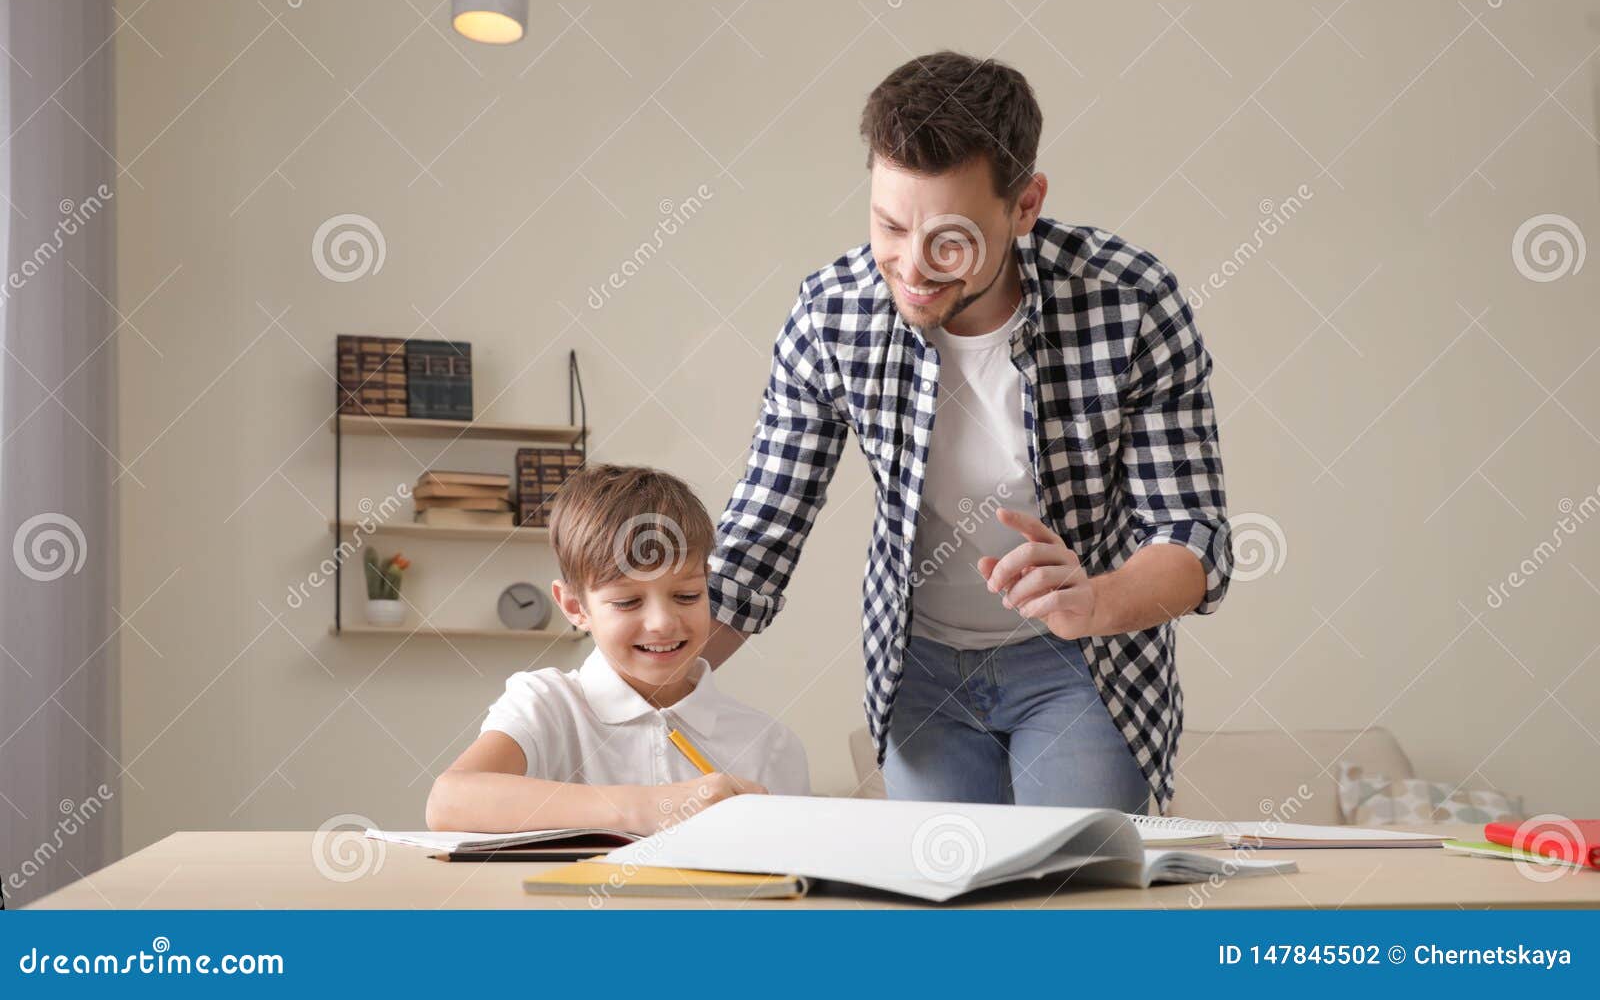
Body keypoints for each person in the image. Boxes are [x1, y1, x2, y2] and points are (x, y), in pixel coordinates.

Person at [703, 51, 1233, 814]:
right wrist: (639, 677)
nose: (912, 267)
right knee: (945, 911)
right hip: (919, 668)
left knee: (1069, 908)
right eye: (889, 224)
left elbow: (1193, 538)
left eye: (950, 239)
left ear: (1024, 207)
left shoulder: (1130, 301)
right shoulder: (833, 314)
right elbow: (759, 540)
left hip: (1084, 663)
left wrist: (1093, 598)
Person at [426, 464, 809, 835]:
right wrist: (653, 807)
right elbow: (449, 802)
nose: (662, 622)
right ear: (576, 606)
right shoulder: (548, 705)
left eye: (687, 595)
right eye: (628, 602)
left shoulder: (770, 745)